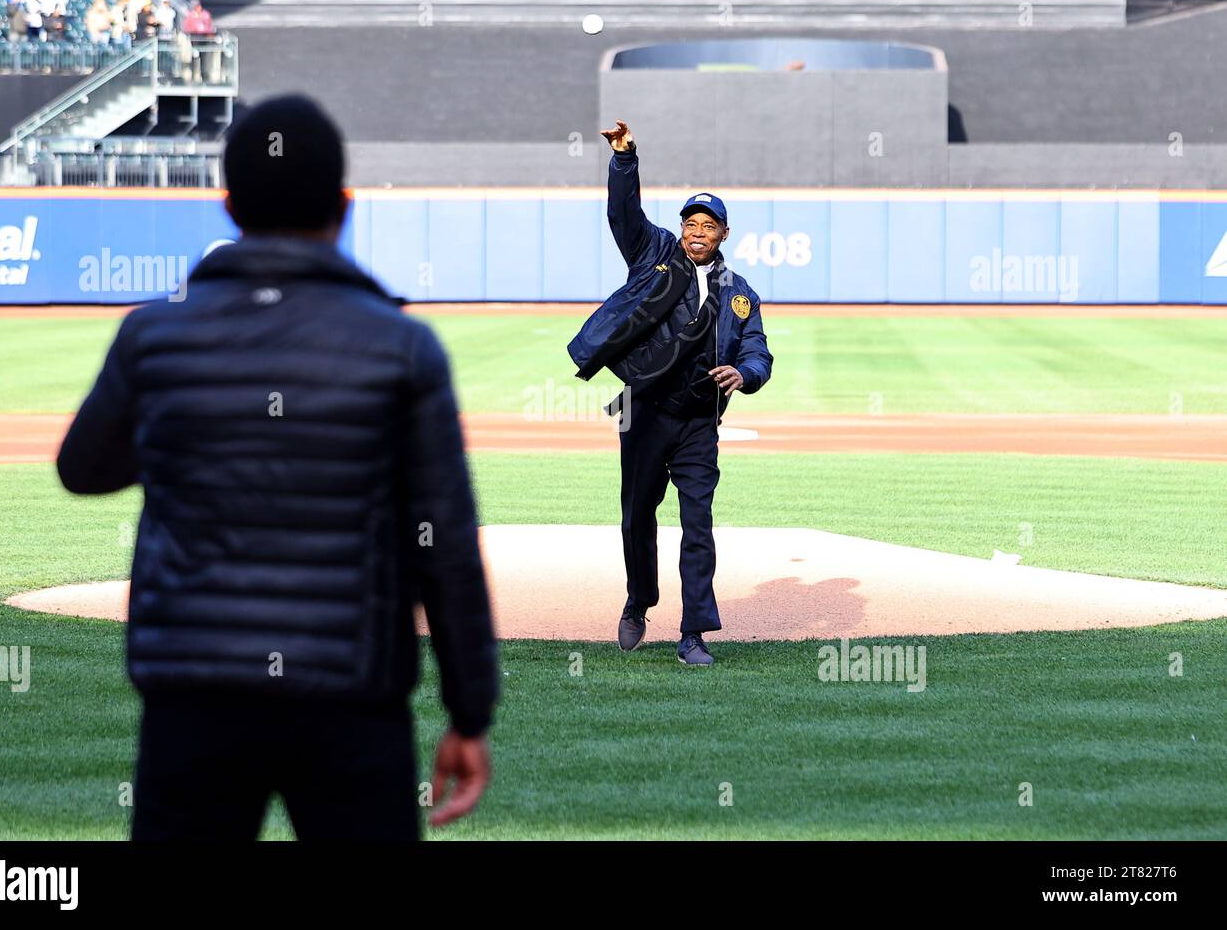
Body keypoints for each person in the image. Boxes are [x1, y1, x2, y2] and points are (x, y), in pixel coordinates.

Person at [56, 95, 499, 840]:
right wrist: (469, 711)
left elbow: (83, 468)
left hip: (190, 699)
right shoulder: (402, 348)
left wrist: (184, 429)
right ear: (344, 205)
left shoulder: (153, 337)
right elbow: (442, 544)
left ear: (228, 205)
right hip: (351, 700)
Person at [567, 119, 774, 667]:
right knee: (637, 516)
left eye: (708, 225)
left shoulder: (741, 294)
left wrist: (744, 375)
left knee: (697, 524)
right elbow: (623, 216)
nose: (697, 231)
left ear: (724, 234)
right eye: (691, 222)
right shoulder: (654, 252)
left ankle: (694, 634)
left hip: (698, 422)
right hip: (644, 413)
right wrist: (624, 161)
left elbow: (758, 354)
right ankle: (639, 600)